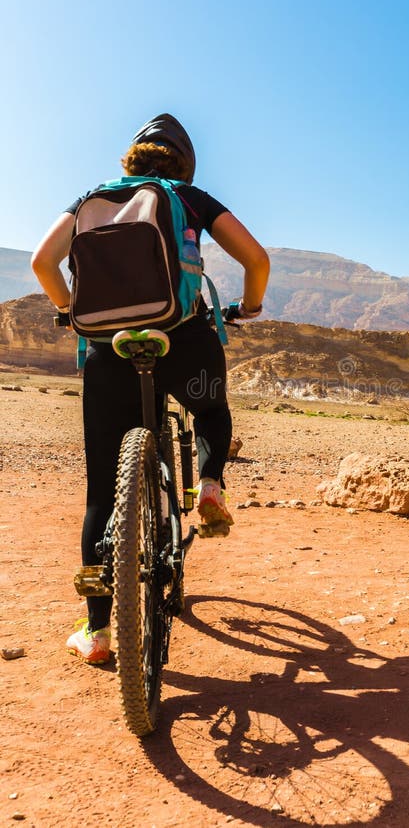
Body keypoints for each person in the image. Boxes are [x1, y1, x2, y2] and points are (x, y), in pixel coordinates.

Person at [31, 114, 270, 665]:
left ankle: (97, 632)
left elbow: (43, 262)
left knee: (100, 493)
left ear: (131, 158)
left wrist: (71, 313)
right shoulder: (190, 196)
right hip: (183, 341)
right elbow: (256, 258)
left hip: (109, 349)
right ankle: (209, 485)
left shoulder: (91, 199)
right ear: (182, 161)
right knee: (210, 411)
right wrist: (248, 307)